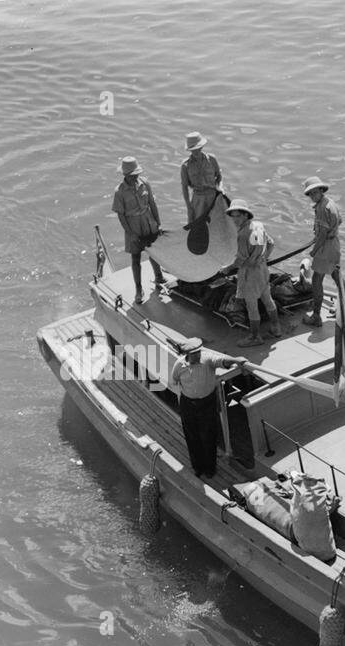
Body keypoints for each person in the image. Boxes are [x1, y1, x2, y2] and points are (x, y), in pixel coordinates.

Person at [167, 338, 243, 480]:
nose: (197, 355)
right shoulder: (179, 365)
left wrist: (236, 360)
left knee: (209, 435)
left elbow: (222, 361)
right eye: (194, 353)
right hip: (187, 404)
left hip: (207, 403)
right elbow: (174, 380)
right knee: (192, 436)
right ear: (187, 354)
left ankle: (210, 468)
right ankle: (197, 467)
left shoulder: (208, 359)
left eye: (198, 352)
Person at [218, 198, 283, 346]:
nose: (235, 219)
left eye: (238, 216)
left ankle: (255, 337)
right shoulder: (259, 226)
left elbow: (240, 260)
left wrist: (227, 269)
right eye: (233, 216)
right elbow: (271, 243)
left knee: (251, 306)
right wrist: (263, 258)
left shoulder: (242, 235)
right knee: (267, 298)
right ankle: (276, 328)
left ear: (246, 215)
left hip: (250, 275)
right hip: (262, 270)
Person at [112, 156, 164, 304]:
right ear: (126, 175)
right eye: (133, 175)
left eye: (137, 174)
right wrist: (131, 233)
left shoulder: (144, 183)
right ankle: (138, 289)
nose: (136, 177)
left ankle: (159, 277)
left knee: (154, 252)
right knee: (136, 259)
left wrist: (158, 223)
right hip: (133, 226)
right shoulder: (119, 192)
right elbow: (121, 216)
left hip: (148, 222)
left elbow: (152, 203)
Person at [300, 176, 342, 327]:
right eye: (310, 194)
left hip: (325, 247)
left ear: (321, 191)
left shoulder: (322, 208)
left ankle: (316, 316)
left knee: (317, 280)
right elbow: (340, 221)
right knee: (337, 275)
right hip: (334, 245)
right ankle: (344, 308)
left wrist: (314, 250)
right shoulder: (330, 203)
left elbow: (323, 233)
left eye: (314, 193)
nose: (312, 196)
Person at [179, 132, 223, 228]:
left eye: (197, 149)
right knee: (197, 226)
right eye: (192, 150)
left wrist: (219, 188)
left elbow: (219, 176)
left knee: (215, 225)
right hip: (198, 199)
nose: (195, 152)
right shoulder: (185, 165)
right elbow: (184, 187)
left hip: (213, 197)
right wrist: (189, 207)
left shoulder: (212, 159)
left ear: (201, 147)